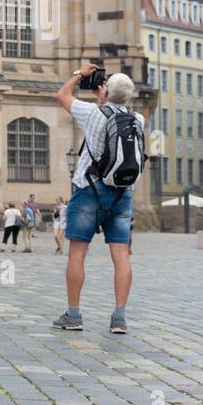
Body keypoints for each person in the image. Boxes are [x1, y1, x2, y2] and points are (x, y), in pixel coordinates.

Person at [51, 63, 144, 334]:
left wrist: (80, 74)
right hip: (121, 193)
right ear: (128, 96)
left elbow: (62, 96)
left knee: (78, 253)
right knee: (121, 254)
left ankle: (74, 314)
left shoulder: (92, 112)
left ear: (104, 91)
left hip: (89, 191)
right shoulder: (138, 119)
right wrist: (111, 99)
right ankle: (119, 318)